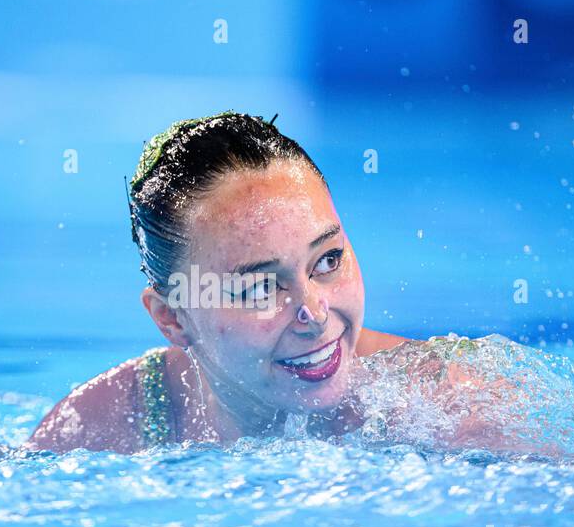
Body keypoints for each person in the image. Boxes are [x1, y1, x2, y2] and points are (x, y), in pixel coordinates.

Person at [27, 111, 495, 453]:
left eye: (327, 260)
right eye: (259, 289)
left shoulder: (449, 409)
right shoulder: (104, 428)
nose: (314, 313)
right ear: (172, 318)